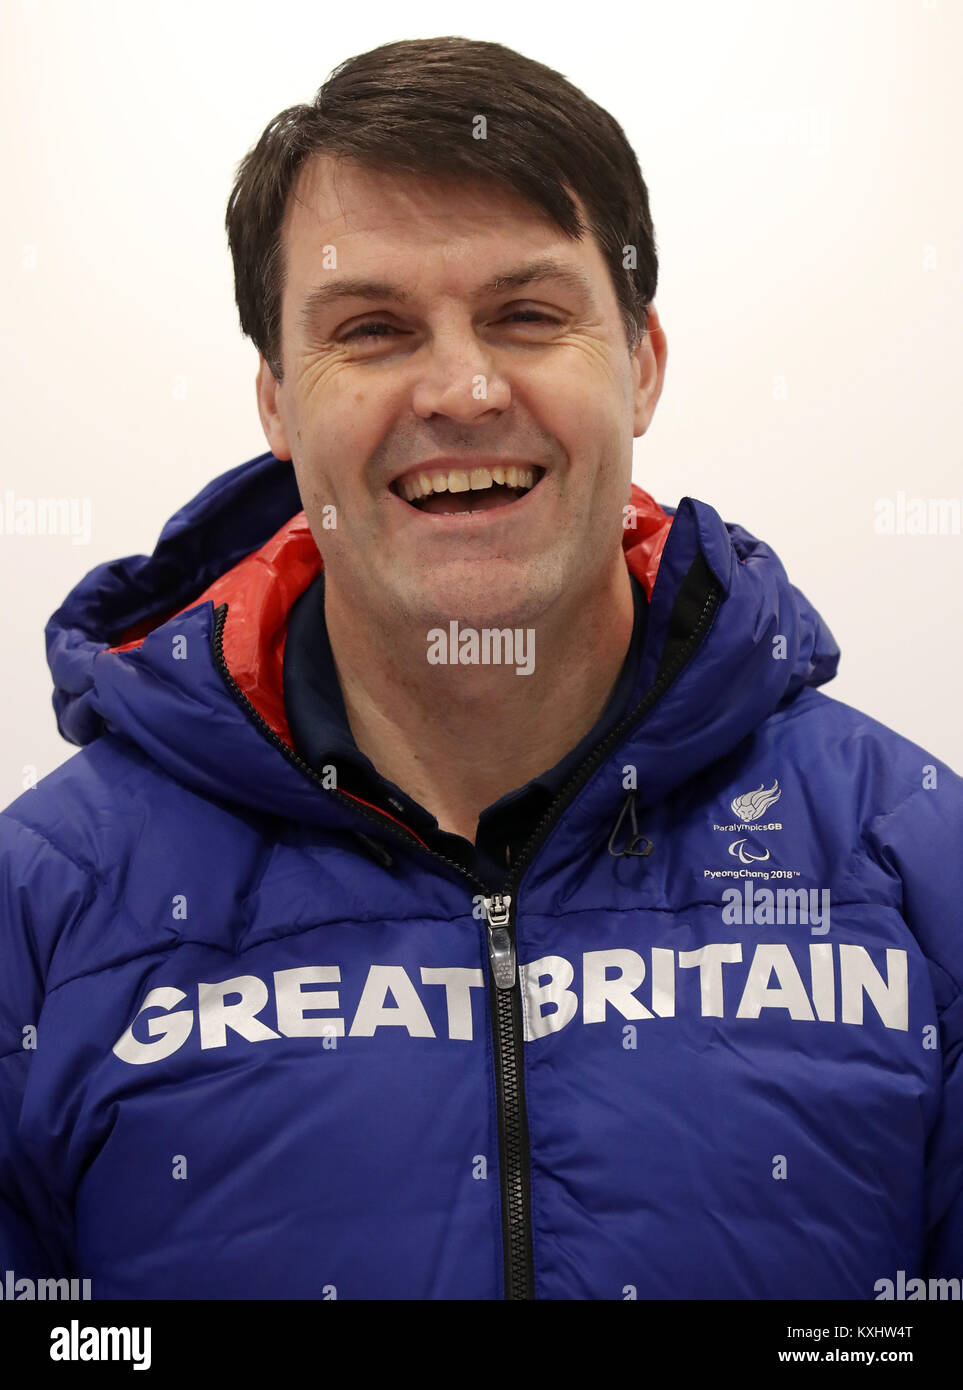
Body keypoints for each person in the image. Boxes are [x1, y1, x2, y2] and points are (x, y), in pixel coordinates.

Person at [1, 35, 960, 1303]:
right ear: (279, 404)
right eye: (374, 329)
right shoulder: (44, 907)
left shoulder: (916, 865)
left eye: (526, 315)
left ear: (643, 365)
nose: (459, 389)